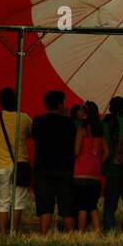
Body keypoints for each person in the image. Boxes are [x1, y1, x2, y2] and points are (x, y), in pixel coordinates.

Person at [31, 90, 76, 234]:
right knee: (66, 207)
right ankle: (71, 238)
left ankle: (44, 235)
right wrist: (68, 118)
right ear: (60, 105)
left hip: (43, 168)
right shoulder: (69, 123)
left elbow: (35, 137)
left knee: (45, 207)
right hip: (64, 168)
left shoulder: (37, 121)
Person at [0, 87, 32, 235]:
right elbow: (30, 134)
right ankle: (14, 232)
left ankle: (2, 233)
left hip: (1, 165)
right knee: (18, 201)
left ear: (0, 102)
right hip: (21, 164)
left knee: (1, 202)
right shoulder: (24, 118)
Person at [100, 95, 123, 233]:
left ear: (111, 107)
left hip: (110, 168)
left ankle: (109, 231)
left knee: (110, 204)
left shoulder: (104, 122)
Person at [72, 102, 104, 232]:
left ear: (85, 115)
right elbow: (106, 151)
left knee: (82, 206)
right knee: (92, 206)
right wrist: (98, 162)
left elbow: (76, 151)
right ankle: (97, 231)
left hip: (81, 173)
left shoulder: (82, 130)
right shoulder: (98, 131)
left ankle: (81, 232)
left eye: (80, 110)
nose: (78, 112)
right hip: (95, 175)